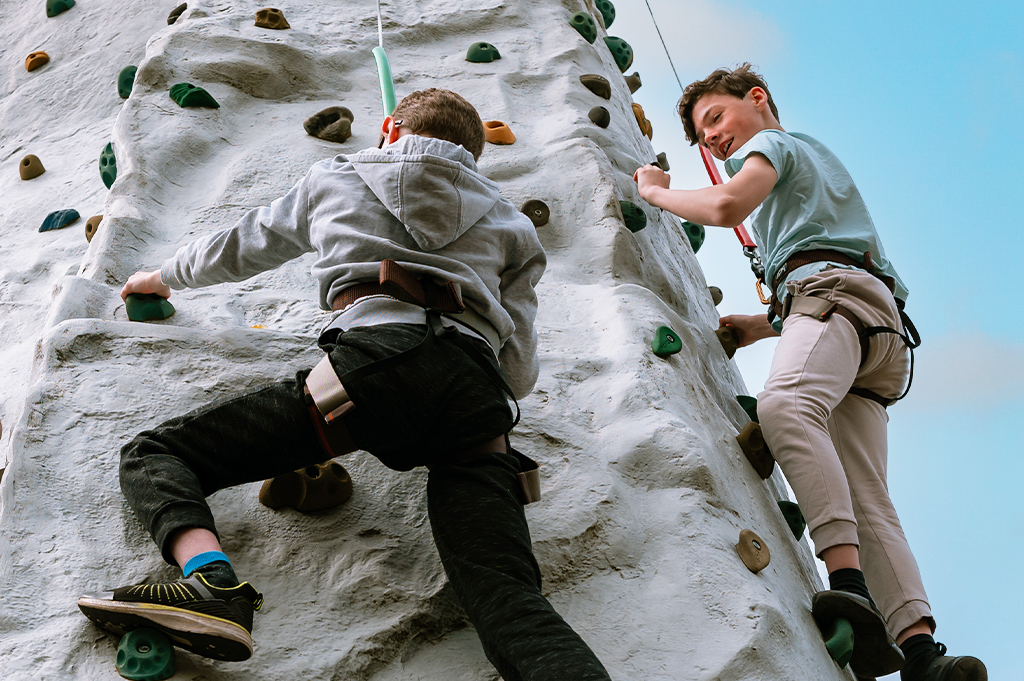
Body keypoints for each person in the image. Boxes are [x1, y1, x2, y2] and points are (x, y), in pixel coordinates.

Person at [78, 88, 612, 681]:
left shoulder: (340, 173)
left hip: (371, 372)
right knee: (508, 597)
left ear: (388, 128)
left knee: (158, 452)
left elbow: (247, 243)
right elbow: (518, 371)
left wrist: (161, 276)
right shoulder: (512, 224)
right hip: (477, 403)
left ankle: (211, 582)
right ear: (471, 158)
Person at [633, 64, 986, 681]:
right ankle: (925, 657)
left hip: (833, 301)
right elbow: (827, 262)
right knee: (869, 499)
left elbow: (723, 203)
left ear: (758, 99)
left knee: (786, 407)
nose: (713, 140)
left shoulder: (771, 145)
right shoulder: (812, 171)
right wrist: (761, 323)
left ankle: (848, 586)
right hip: (873, 333)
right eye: (703, 136)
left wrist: (656, 192)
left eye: (715, 118)